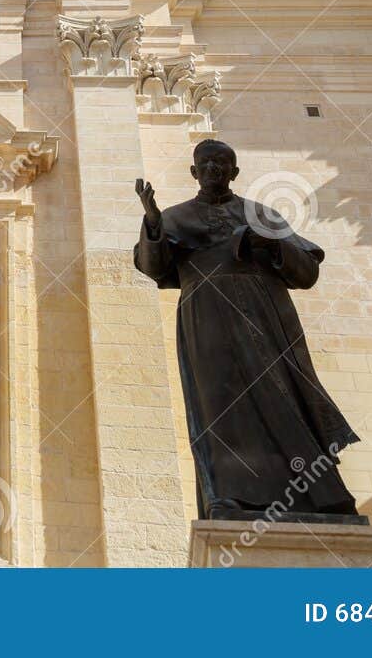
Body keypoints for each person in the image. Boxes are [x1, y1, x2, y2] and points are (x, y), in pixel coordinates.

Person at [134, 139, 360, 520]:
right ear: (193, 171)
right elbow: (153, 268)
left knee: (284, 395)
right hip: (206, 319)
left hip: (264, 315)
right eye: (205, 164)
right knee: (218, 406)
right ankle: (228, 494)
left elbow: (306, 273)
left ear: (234, 172)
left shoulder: (262, 215)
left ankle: (319, 493)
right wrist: (153, 223)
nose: (213, 170)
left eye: (222, 163)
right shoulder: (174, 217)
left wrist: (271, 246)